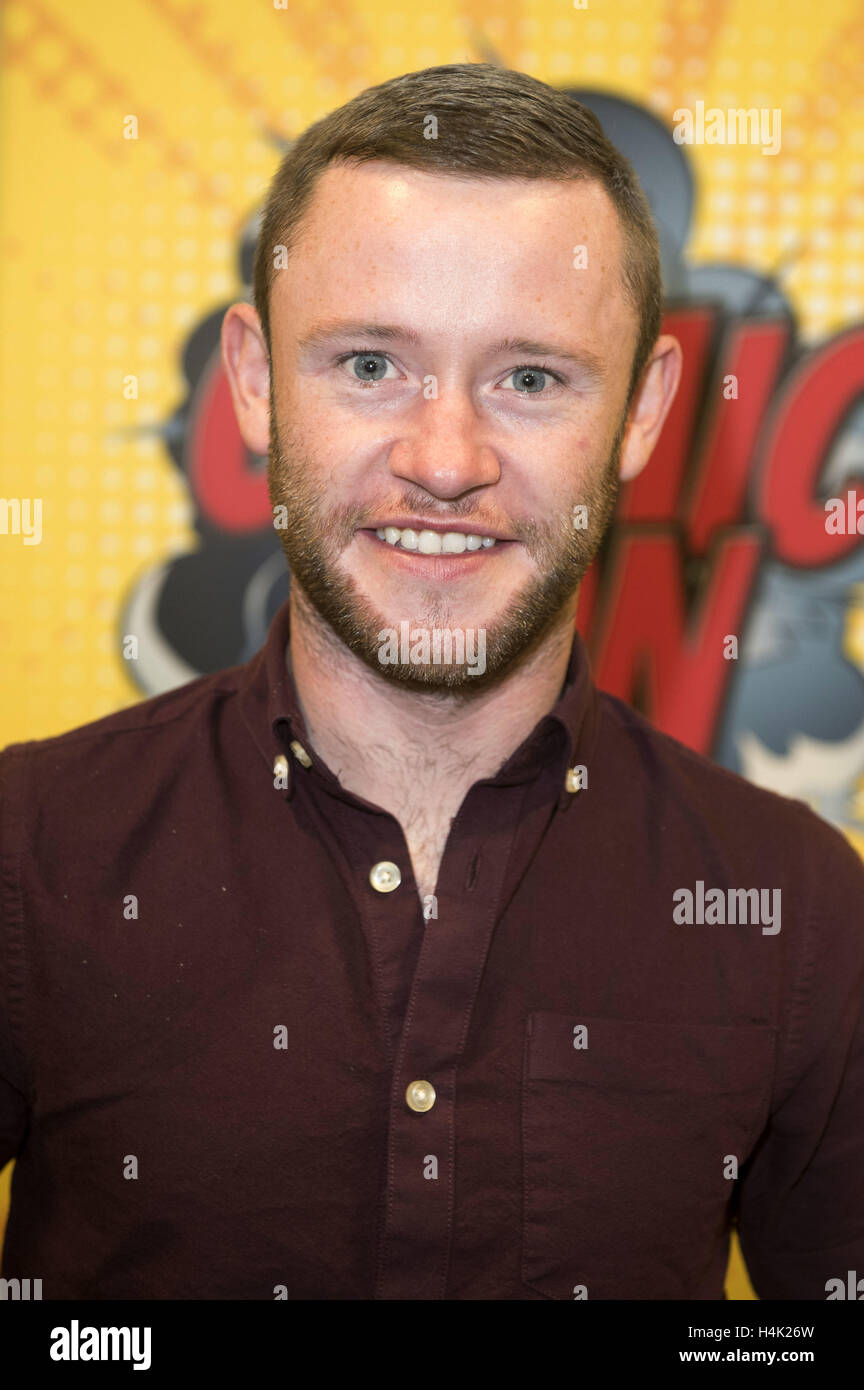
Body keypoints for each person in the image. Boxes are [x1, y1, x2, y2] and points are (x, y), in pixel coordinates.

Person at [1, 63, 862, 1301]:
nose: (446, 461)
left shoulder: (798, 906)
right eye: (369, 365)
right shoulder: (29, 849)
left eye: (530, 378)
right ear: (255, 380)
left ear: (641, 410)